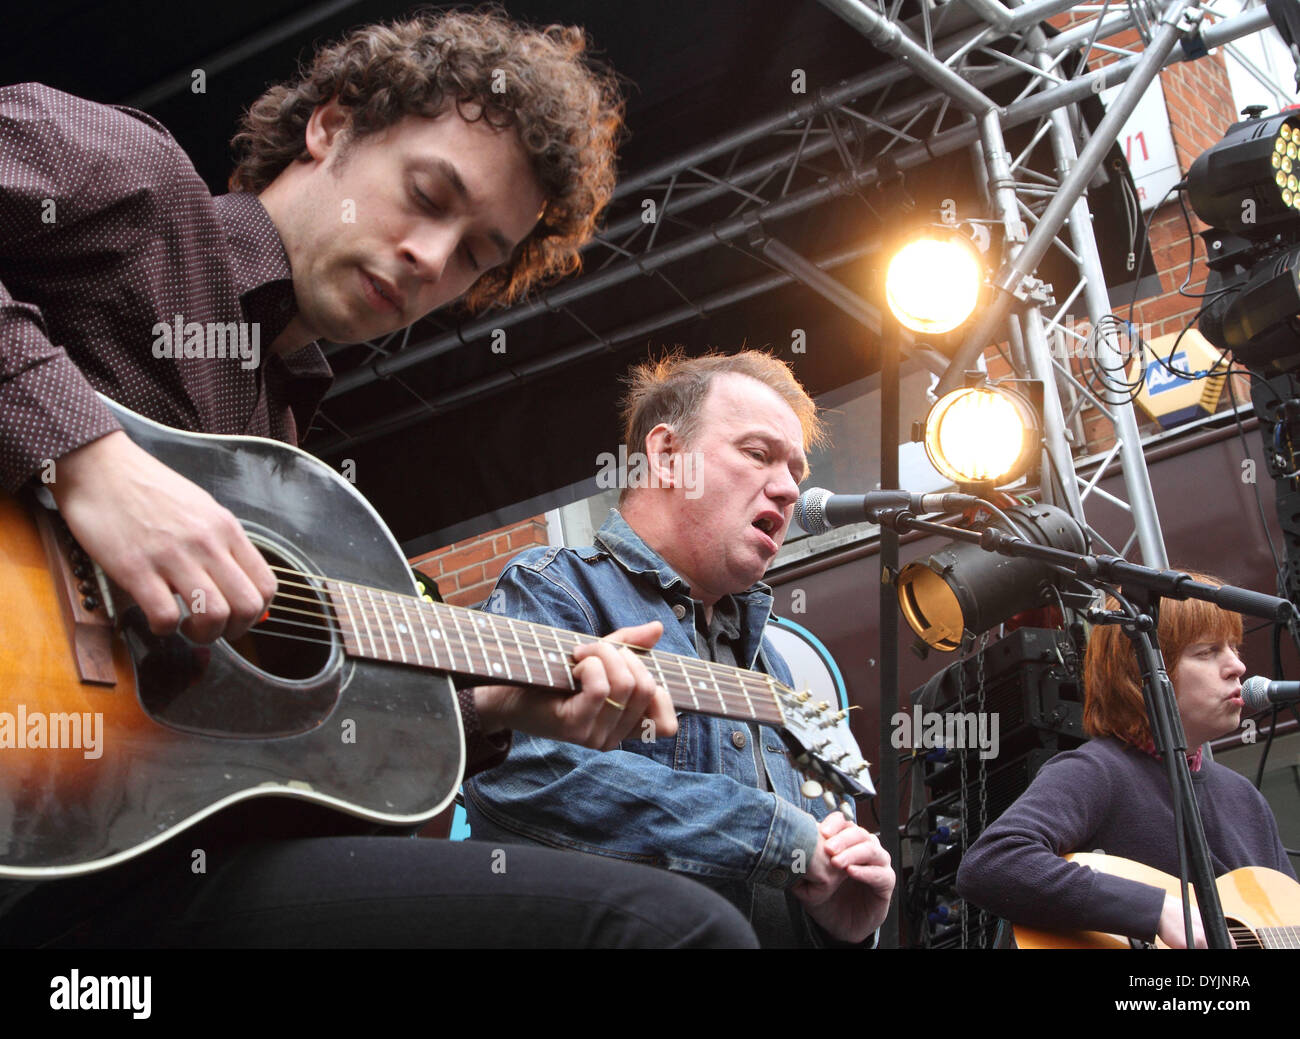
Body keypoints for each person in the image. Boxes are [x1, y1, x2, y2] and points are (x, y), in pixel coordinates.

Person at [0, 9, 758, 948]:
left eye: (475, 255)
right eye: (428, 195)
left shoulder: (290, 464)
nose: (432, 260)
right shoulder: (136, 185)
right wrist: (88, 460)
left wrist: (491, 706)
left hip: (101, 866)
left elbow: (283, 747)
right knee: (659, 929)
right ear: (332, 124)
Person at [464, 351, 896, 947]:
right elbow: (523, 772)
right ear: (667, 456)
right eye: (757, 454)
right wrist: (780, 838)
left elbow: (810, 868)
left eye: (796, 470)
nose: (789, 488)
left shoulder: (770, 663)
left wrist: (842, 923)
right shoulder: (556, 588)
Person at [956, 577, 1296, 948]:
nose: (1237, 666)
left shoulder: (1245, 799)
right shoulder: (1097, 771)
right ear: (1143, 674)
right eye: (1207, 652)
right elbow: (992, 863)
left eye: (1234, 648)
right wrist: (1157, 912)